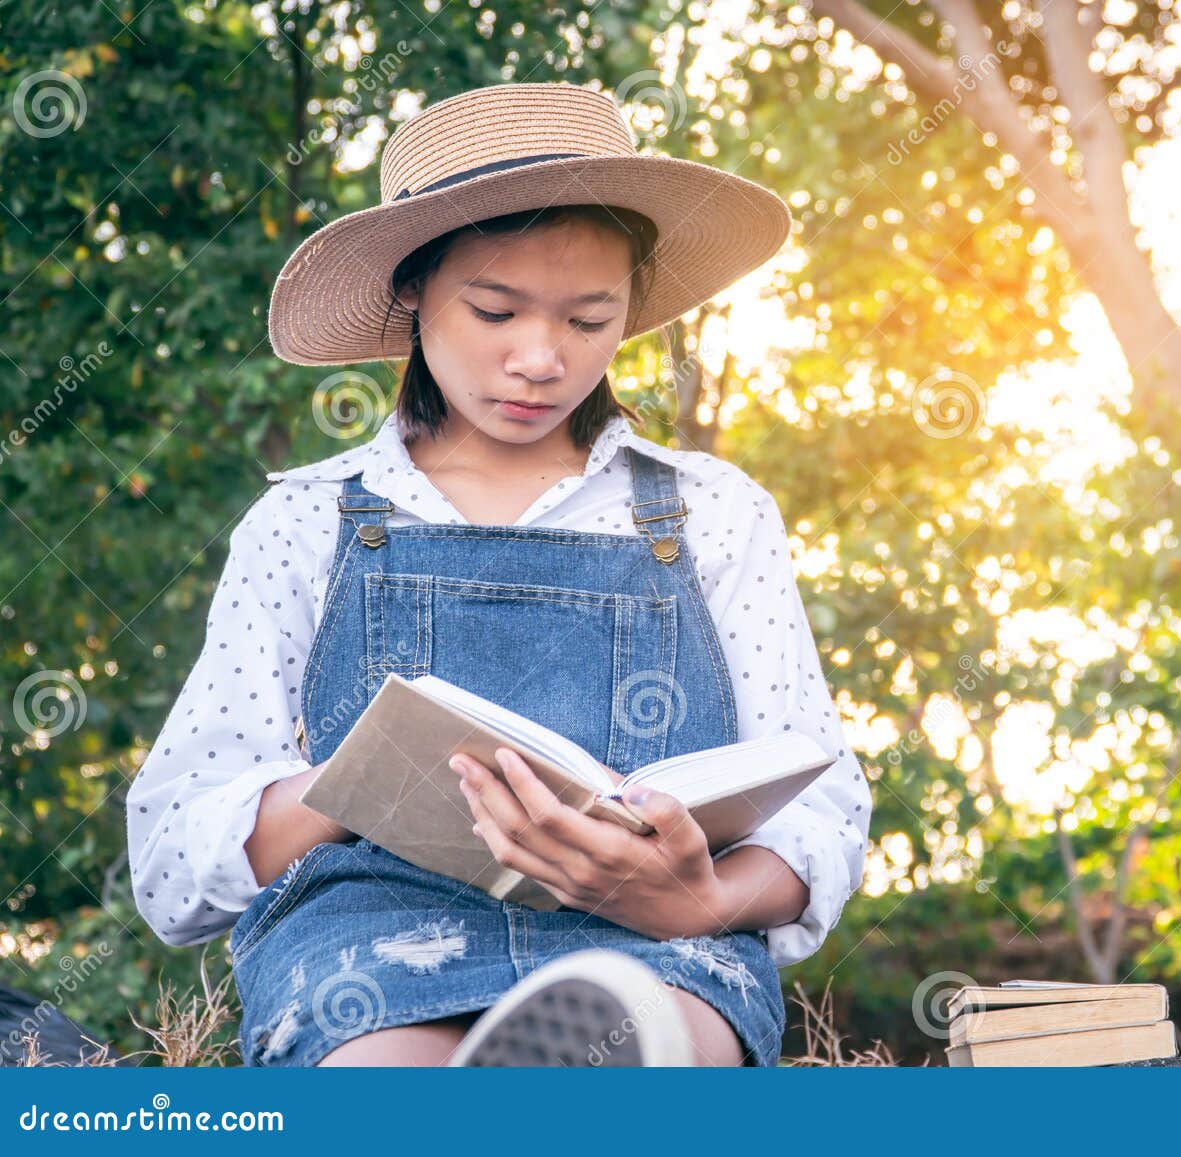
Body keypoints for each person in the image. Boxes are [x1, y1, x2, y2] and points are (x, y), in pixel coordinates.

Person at [126, 81, 871, 1067]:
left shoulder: (713, 511)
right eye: (495, 308)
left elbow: (822, 801)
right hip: (374, 942)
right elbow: (177, 853)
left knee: (655, 1046)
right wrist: (370, 779)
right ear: (412, 294)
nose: (538, 358)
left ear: (629, 313)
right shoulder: (305, 521)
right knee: (382, 1075)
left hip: (656, 937)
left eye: (587, 318)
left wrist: (707, 896)